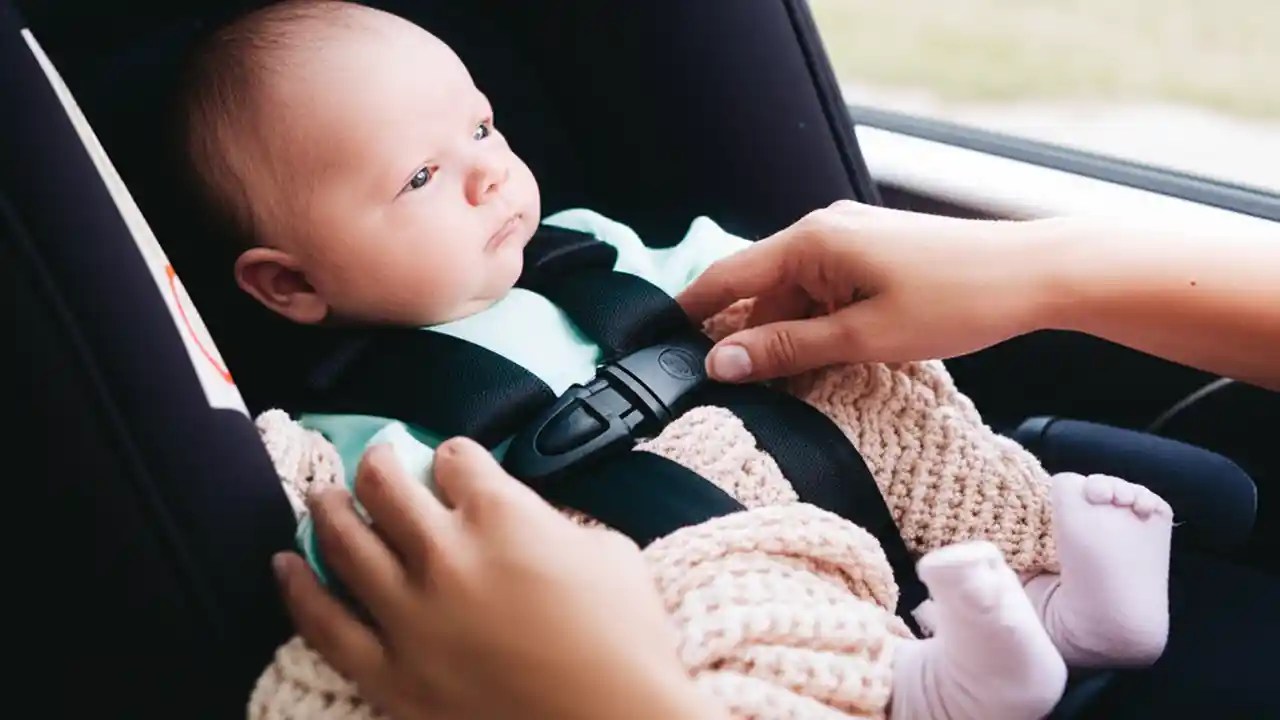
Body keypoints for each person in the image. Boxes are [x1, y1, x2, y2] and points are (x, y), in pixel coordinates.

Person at [176, 2, 1178, 718]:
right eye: (423, 175)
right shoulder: (355, 428)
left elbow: (725, 277)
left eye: (480, 126)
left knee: (892, 401)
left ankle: (1062, 597)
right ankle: (914, 689)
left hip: (772, 430)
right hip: (654, 545)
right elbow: (361, 546)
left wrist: (796, 301)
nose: (489, 172)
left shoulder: (587, 249)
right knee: (704, 608)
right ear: (289, 287)